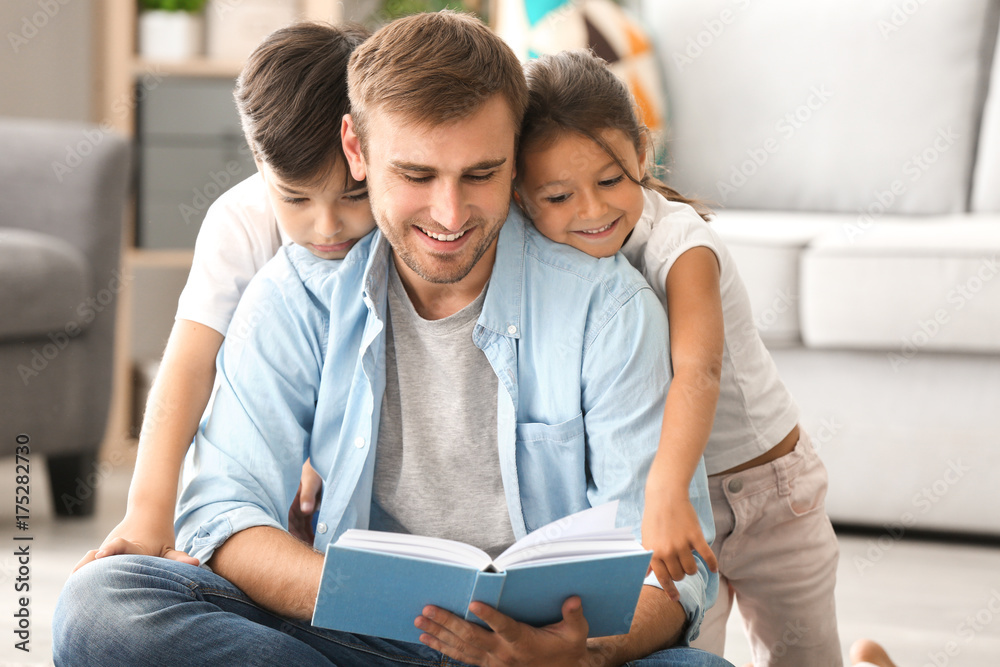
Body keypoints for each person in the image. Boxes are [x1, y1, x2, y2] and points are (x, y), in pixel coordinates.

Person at [53, 12, 728, 667]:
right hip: (347, 634)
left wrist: (582, 654)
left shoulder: (606, 306)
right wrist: (373, 602)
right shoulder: (297, 291)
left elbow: (676, 571)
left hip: (538, 649)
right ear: (357, 150)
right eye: (416, 175)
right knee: (104, 607)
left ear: (516, 155)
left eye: (480, 174)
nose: (449, 214)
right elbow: (225, 507)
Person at [513, 49, 842, 666]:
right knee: (690, 653)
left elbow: (698, 369)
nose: (592, 210)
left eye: (611, 180)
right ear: (521, 196)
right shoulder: (538, 252)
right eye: (558, 196)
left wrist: (666, 487)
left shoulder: (681, 243)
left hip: (770, 496)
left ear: (641, 151)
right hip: (674, 508)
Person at [73, 21, 372, 573]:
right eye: (297, 198)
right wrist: (146, 515)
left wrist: (323, 453)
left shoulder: (405, 220)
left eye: (356, 194)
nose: (328, 225)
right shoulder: (240, 220)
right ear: (260, 165)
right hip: (255, 457)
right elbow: (188, 366)